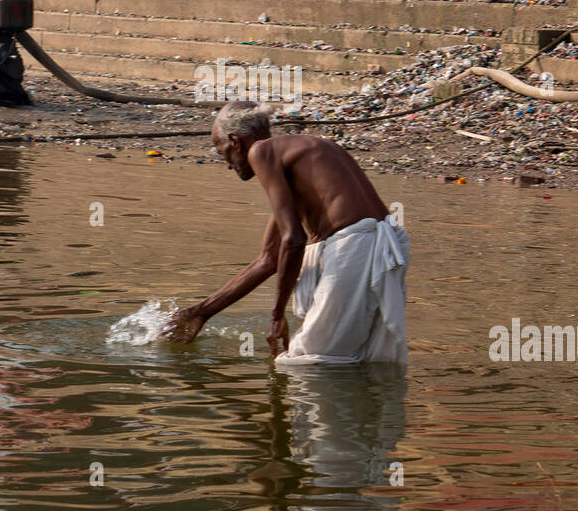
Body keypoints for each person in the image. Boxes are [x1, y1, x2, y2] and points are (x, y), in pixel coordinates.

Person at [162, 101, 410, 365]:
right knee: (361, 359)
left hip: (356, 248)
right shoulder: (301, 152)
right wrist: (199, 313)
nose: (228, 165)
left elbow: (294, 240)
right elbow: (269, 259)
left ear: (235, 141)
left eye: (223, 153)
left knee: (308, 363)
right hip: (383, 247)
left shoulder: (261, 151)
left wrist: (277, 315)